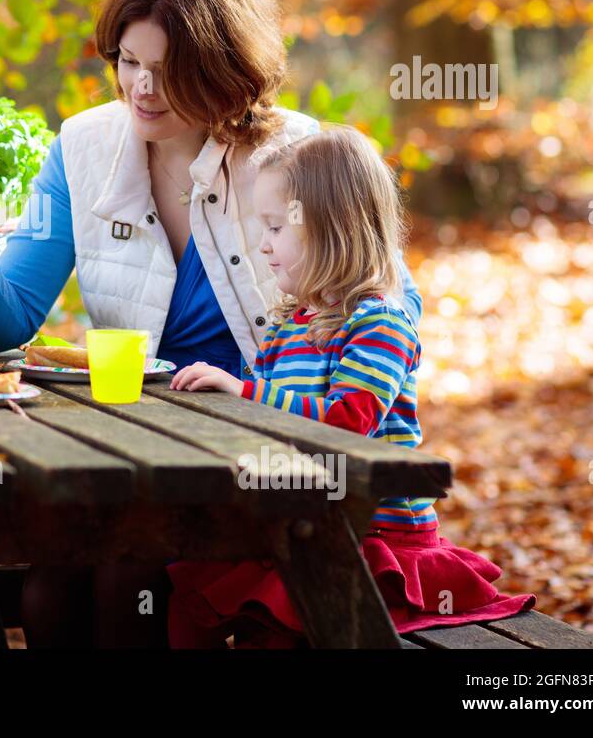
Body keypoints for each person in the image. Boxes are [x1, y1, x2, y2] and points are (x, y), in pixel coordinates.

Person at [0, 0, 422, 647]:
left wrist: (327, 348)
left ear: (222, 69)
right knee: (45, 596)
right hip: (140, 454)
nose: (141, 90)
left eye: (167, 72)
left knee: (124, 590)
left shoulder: (297, 158)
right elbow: (8, 321)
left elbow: (393, 299)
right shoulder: (83, 149)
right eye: (128, 63)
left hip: (266, 458)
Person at [166, 126, 535, 647]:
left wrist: (241, 392)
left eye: (275, 228)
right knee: (186, 600)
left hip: (375, 538)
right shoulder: (289, 324)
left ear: (332, 228)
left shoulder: (379, 324)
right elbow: (263, 423)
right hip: (304, 519)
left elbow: (348, 422)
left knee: (277, 628)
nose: (263, 246)